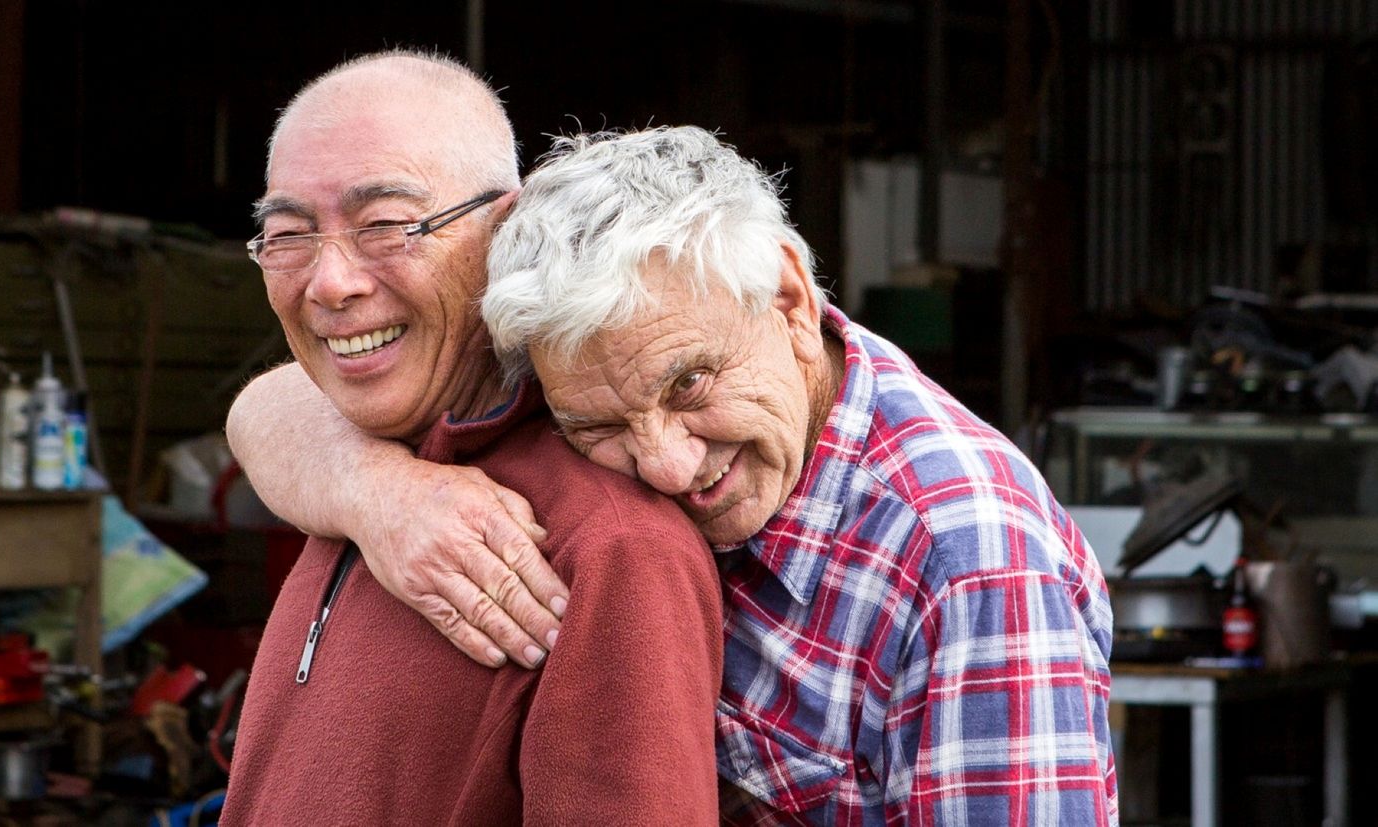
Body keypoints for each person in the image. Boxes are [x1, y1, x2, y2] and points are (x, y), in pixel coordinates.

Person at [229, 124, 1117, 820]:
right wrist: (381, 493)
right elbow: (291, 397)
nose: (664, 464)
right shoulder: (602, 340)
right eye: (599, 426)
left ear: (791, 301)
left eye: (689, 383)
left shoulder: (971, 563)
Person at [220, 53, 722, 825]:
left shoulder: (610, 547)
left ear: (505, 230)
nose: (328, 283)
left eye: (387, 225)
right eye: (288, 235)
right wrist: (372, 490)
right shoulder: (358, 460)